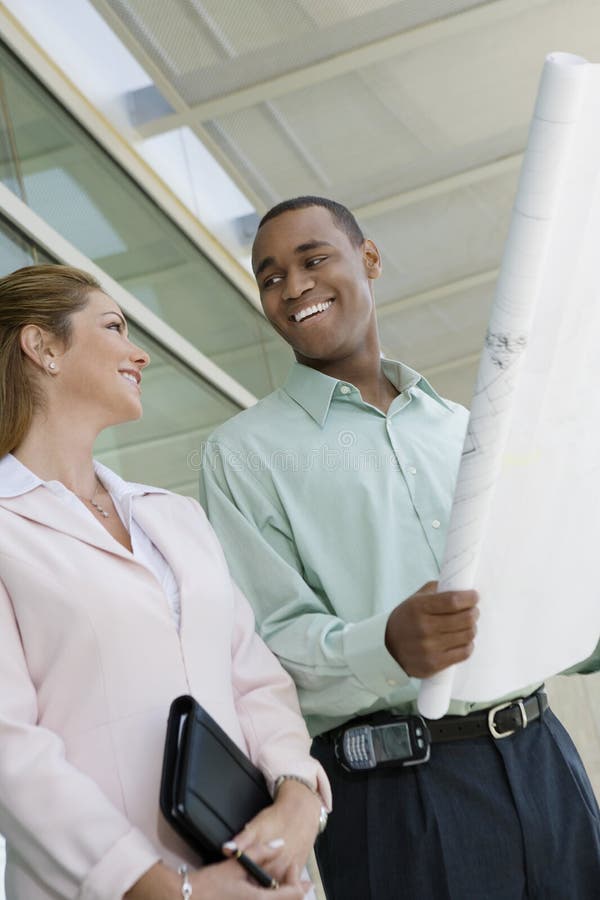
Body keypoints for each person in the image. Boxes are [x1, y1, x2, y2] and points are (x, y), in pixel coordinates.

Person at [199, 196, 600, 899]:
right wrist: (382, 643)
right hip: (398, 801)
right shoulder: (244, 455)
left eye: (314, 259)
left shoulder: (467, 427)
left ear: (370, 260)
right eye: (270, 276)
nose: (292, 287)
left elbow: (533, 590)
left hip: (545, 764)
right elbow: (264, 649)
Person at [0, 263, 331, 900]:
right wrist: (168, 891)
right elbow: (11, 752)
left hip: (262, 880)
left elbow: (255, 680)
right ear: (42, 347)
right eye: (115, 327)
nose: (140, 353)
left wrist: (296, 796)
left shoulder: (174, 517)